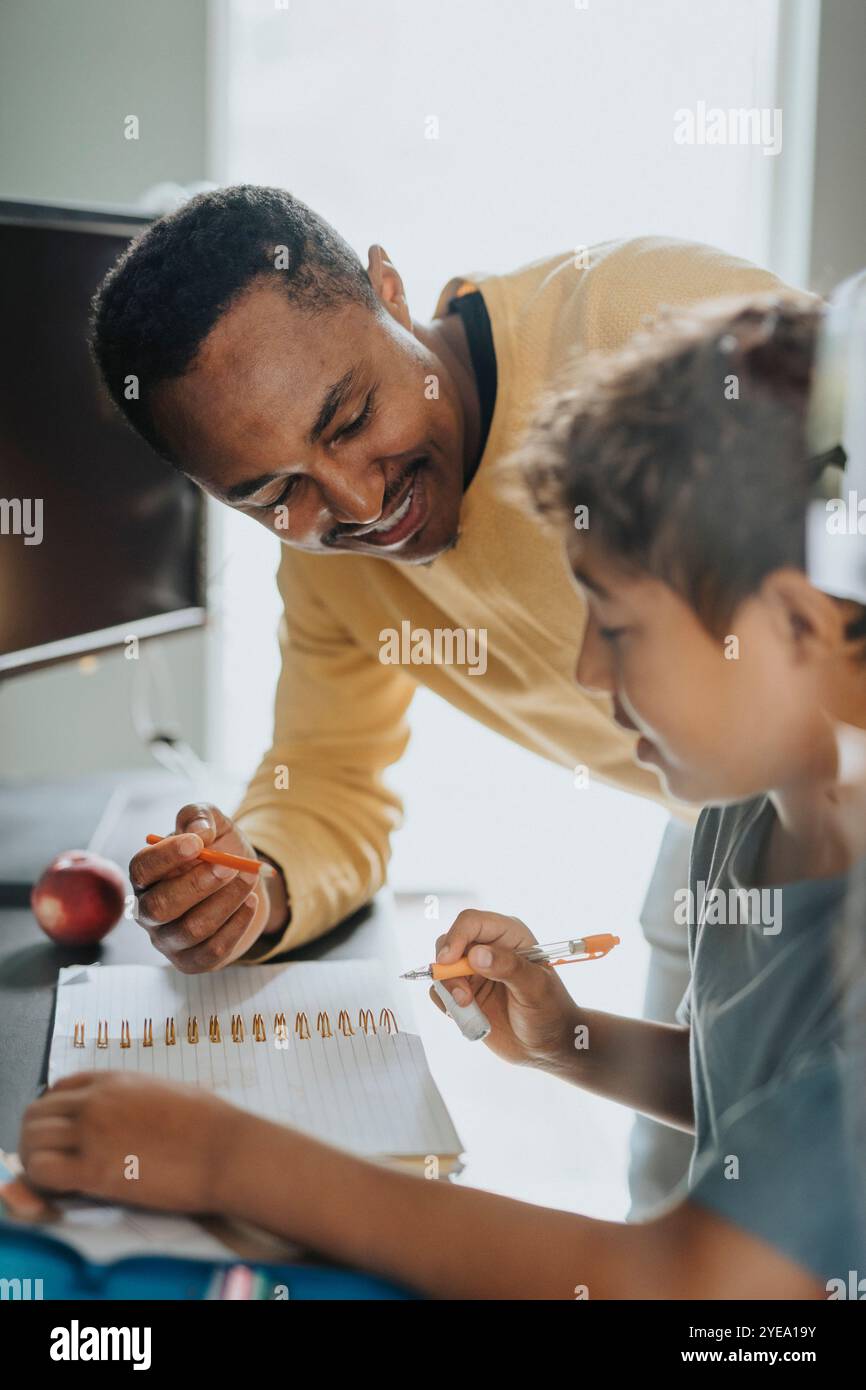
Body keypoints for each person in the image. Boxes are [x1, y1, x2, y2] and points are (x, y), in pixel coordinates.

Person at [21, 294, 865, 1298]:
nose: (586, 672)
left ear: (795, 628)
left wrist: (225, 1157)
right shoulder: (746, 817)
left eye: (620, 628)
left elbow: (683, 1286)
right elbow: (768, 1114)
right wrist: (571, 1042)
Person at [92, 186, 790, 1214]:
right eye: (272, 492)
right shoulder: (328, 568)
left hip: (819, 817)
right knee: (691, 1187)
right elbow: (328, 781)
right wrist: (259, 880)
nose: (358, 507)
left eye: (350, 416)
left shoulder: (653, 332)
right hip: (719, 834)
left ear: (387, 289)